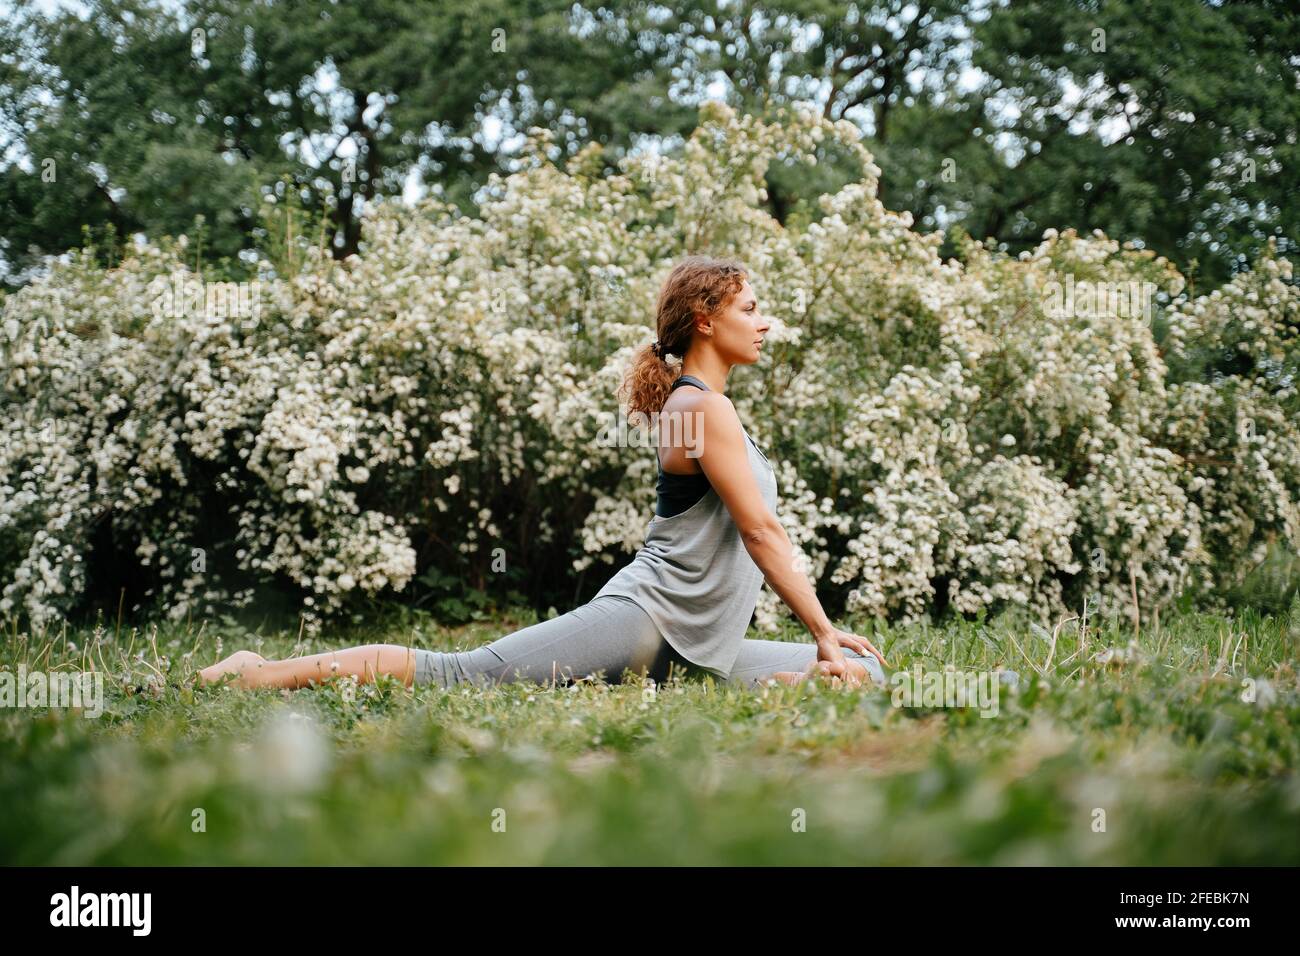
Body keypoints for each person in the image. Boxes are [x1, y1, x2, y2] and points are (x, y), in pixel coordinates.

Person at [199, 256, 889, 693]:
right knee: (458, 675)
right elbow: (760, 531)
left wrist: (829, 647)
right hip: (647, 618)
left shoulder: (711, 408)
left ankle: (780, 683)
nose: (765, 324)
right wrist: (822, 630)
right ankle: (257, 674)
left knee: (867, 672)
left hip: (700, 646)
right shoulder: (698, 407)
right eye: (750, 309)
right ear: (706, 321)